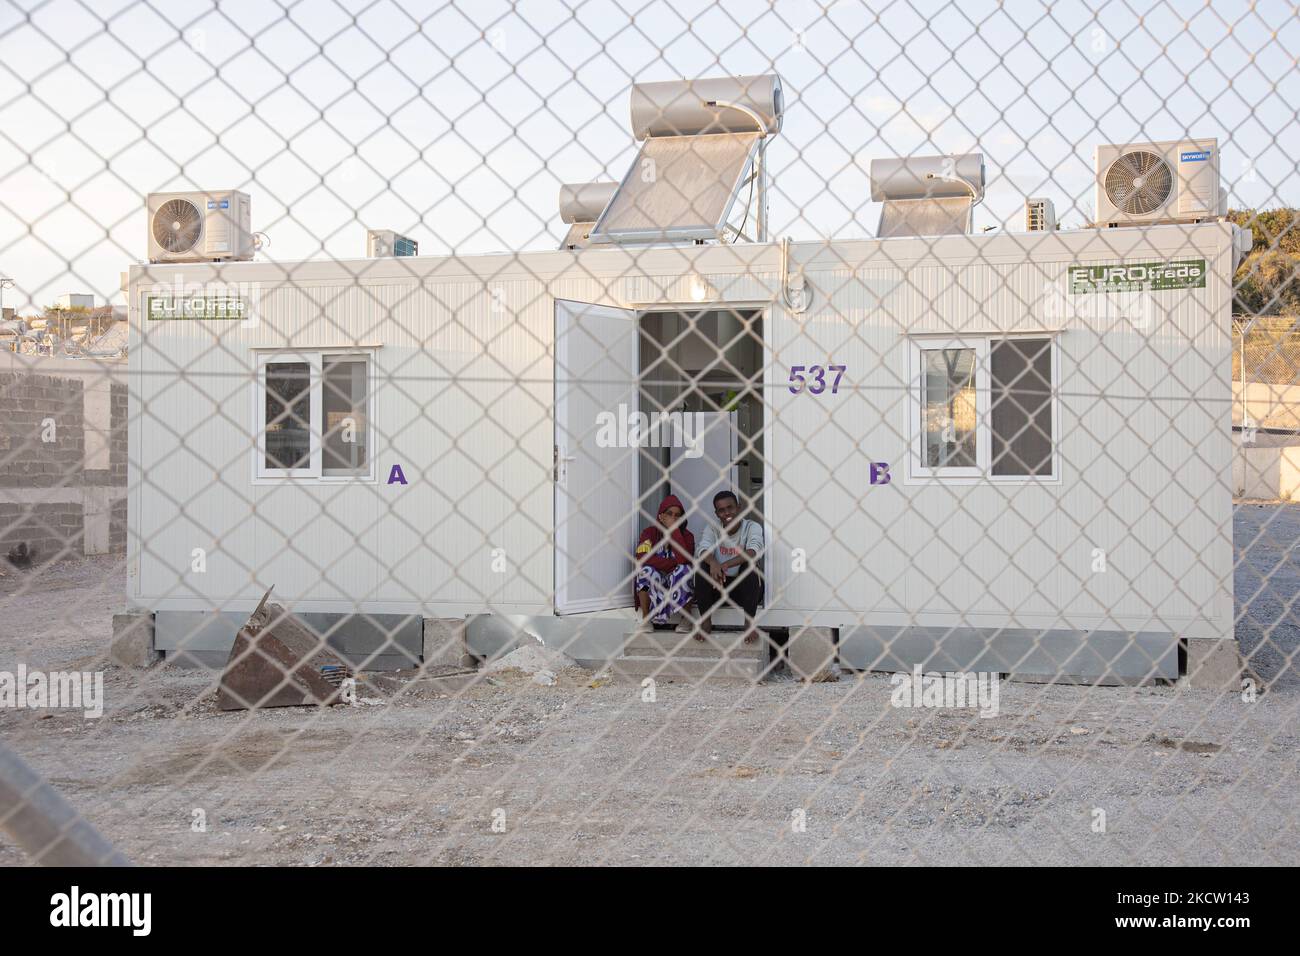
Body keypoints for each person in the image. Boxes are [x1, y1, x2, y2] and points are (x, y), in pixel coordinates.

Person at [694, 490, 764, 644]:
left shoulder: (752, 527)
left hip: (746, 591)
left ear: (739, 508)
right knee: (702, 565)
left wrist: (725, 564)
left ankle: (749, 623)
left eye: (730, 507)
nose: (727, 513)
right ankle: (706, 621)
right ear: (717, 513)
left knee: (749, 565)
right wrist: (713, 563)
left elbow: (753, 551)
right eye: (721, 510)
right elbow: (703, 549)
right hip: (718, 587)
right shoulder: (712, 528)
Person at [634, 495, 696, 633]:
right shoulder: (649, 533)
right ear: (661, 516)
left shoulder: (687, 536)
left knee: (684, 570)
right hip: (657, 579)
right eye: (669, 514)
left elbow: (684, 560)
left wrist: (674, 531)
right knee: (645, 571)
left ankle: (686, 619)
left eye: (677, 515)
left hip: (676, 580)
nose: (673, 518)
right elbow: (642, 558)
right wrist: (672, 563)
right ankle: (646, 618)